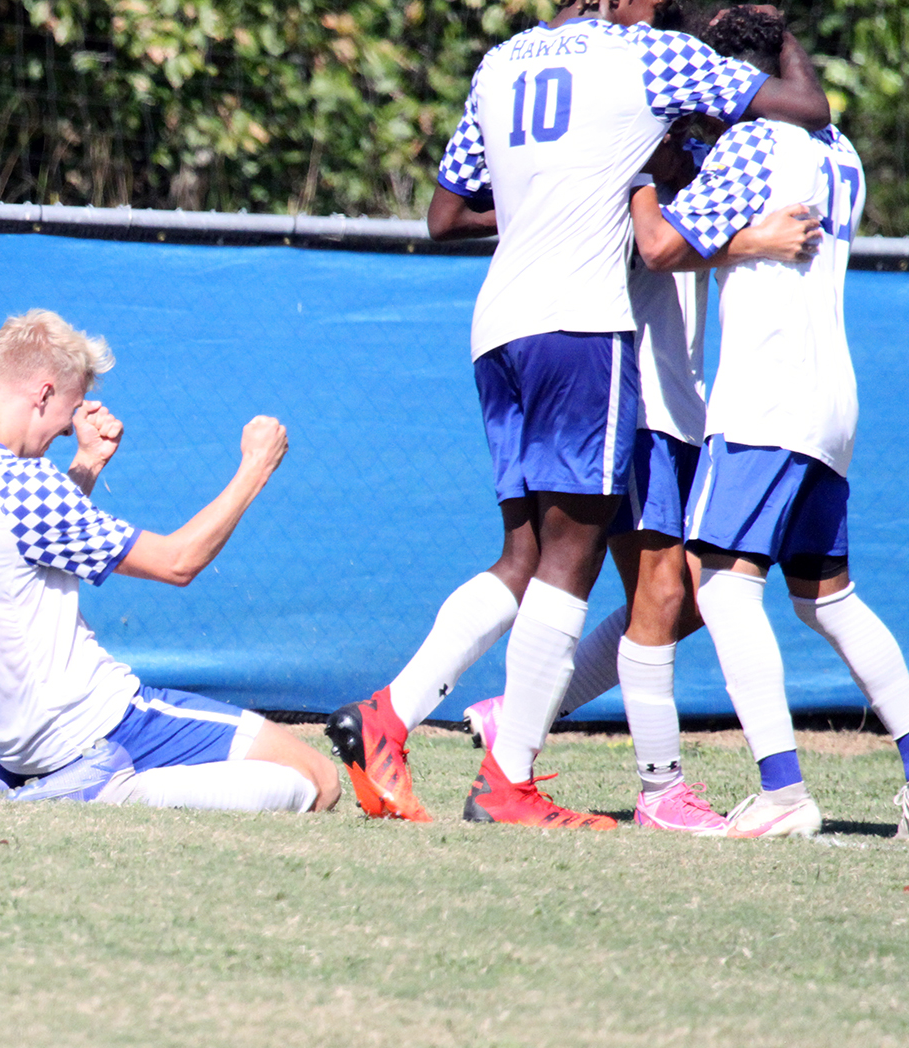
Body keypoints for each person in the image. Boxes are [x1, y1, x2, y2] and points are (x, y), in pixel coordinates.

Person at [332, 0, 830, 828]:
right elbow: (805, 112)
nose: (666, 9)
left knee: (531, 555)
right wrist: (774, 34)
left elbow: (446, 213)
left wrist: (556, 204)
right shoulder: (648, 59)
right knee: (593, 564)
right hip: (589, 334)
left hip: (501, 327)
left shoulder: (502, 61)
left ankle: (394, 714)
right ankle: (529, 779)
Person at [463, 110, 822, 835]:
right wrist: (754, 239)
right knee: (661, 589)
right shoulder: (623, 156)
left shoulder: (698, 158)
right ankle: (660, 791)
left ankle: (524, 710)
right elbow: (652, 249)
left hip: (685, 402)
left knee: (692, 596)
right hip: (641, 400)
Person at [629, 5, 909, 839]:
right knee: (830, 600)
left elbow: (659, 245)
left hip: (765, 390)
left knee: (722, 584)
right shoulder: (843, 151)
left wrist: (643, 172)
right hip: (830, 400)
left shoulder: (754, 142)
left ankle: (784, 791)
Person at [0, 310, 339, 814]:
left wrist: (86, 466)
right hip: (99, 723)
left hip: (13, 745)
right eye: (71, 408)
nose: (68, 429)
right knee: (319, 780)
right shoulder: (22, 484)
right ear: (42, 394)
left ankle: (26, 779)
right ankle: (110, 789)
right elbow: (178, 562)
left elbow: (21, 551)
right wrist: (256, 466)